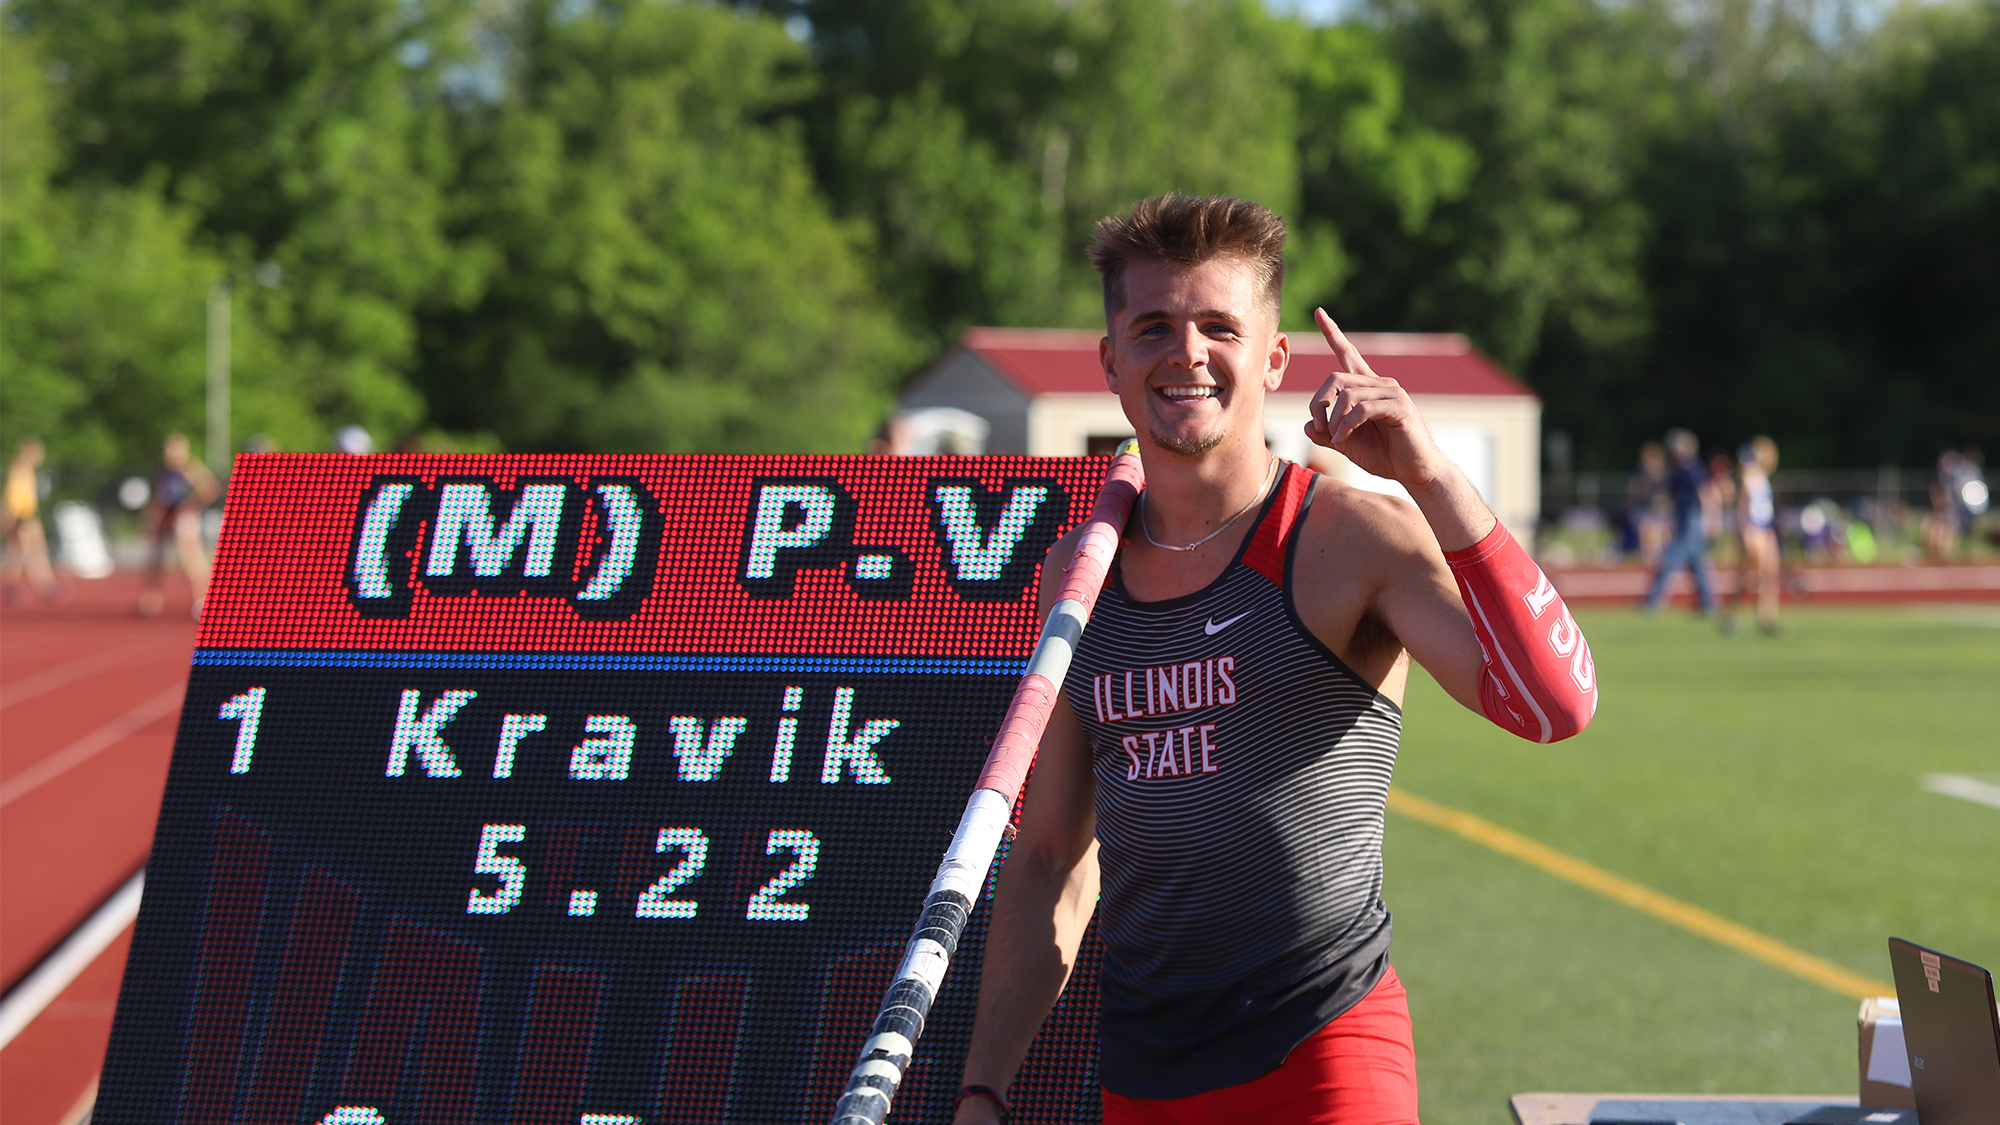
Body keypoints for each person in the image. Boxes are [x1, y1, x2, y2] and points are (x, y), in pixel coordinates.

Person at [950, 195, 1597, 1125]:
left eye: (1219, 325)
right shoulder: (1079, 565)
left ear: (1275, 357)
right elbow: (1052, 850)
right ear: (1111, 362)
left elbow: (1553, 705)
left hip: (1324, 1051)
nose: (1187, 353)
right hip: (1145, 1071)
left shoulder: (1347, 534)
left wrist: (1429, 472)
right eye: (1154, 327)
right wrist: (984, 1086)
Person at [138, 433, 221, 619]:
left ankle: (201, 599)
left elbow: (210, 489)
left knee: (190, 559)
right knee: (156, 559)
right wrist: (150, 519)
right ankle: (151, 600)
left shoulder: (190, 468)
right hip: (166, 515)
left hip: (184, 517)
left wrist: (191, 506)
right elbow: (157, 497)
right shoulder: (163, 471)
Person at [1641, 428, 1717, 614]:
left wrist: (1711, 518)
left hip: (1692, 519)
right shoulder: (1682, 470)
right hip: (1685, 519)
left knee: (1671, 558)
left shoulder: (1691, 469)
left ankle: (1653, 601)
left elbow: (1705, 493)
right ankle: (1708, 603)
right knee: (1697, 562)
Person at [1725, 436, 1780, 635]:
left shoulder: (1762, 477)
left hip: (1765, 529)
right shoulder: (1749, 476)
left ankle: (1767, 620)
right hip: (1753, 529)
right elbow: (1742, 507)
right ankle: (1731, 617)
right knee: (1749, 577)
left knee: (1770, 577)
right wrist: (1744, 534)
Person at [2, 438, 59, 602]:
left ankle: (43, 585)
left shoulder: (23, 470)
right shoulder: (21, 471)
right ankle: (40, 585)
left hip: (27, 515)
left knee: (29, 551)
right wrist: (12, 516)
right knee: (24, 552)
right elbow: (15, 497)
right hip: (23, 517)